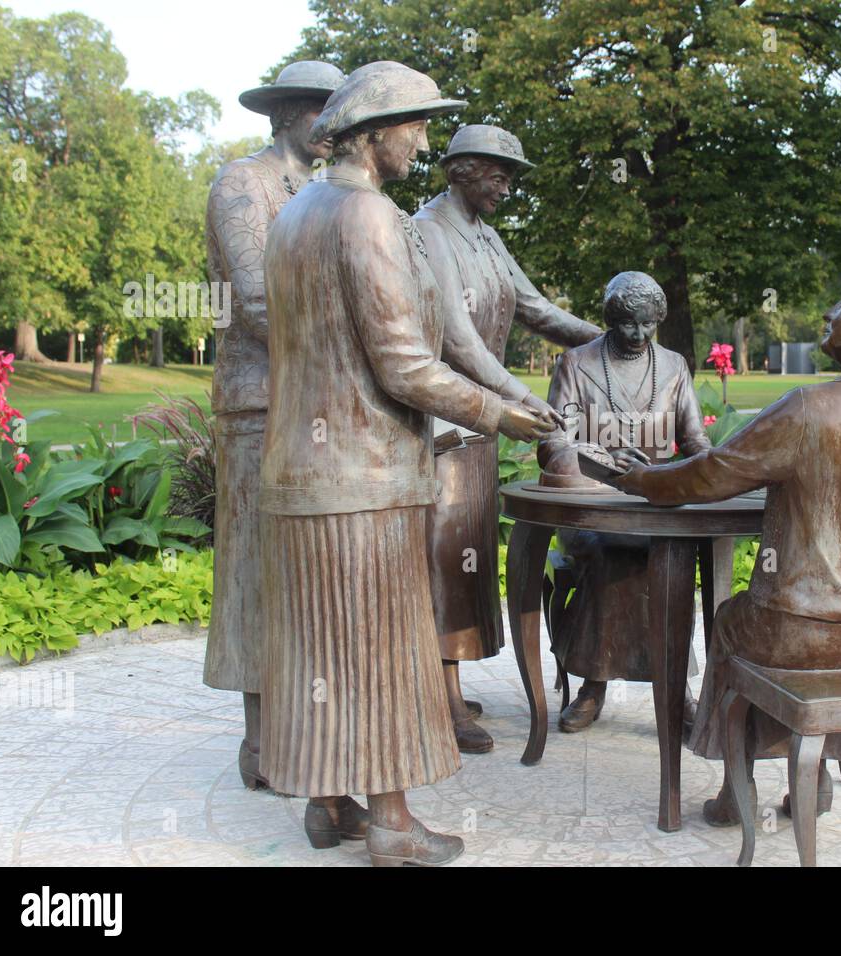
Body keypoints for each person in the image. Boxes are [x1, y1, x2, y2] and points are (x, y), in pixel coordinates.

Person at [259, 61, 558, 866]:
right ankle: (392, 823)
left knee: (323, 646)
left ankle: (331, 805)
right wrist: (502, 414)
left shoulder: (294, 215)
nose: (423, 143)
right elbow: (404, 365)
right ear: (374, 131)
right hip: (365, 475)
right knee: (381, 646)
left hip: (298, 473)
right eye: (417, 127)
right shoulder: (371, 218)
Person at [614, 263, 841, 824]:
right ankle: (815, 773)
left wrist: (639, 479)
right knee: (771, 631)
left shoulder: (809, 409)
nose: (831, 312)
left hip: (807, 631)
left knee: (732, 621)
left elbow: (710, 474)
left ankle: (736, 790)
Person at [415, 125, 601, 755]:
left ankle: (444, 681)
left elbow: (538, 310)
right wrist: (520, 399)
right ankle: (439, 699)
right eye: (497, 175)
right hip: (444, 418)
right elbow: (457, 339)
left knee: (467, 549)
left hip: (484, 420)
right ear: (460, 169)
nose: (506, 188)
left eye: (511, 178)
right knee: (443, 552)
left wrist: (616, 339)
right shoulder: (428, 231)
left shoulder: (488, 238)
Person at [202, 60, 344, 792]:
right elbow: (256, 303)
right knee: (256, 570)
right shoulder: (241, 185)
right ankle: (260, 740)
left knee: (304, 570)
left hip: (315, 403)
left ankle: (305, 723)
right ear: (290, 113)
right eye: (325, 110)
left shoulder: (322, 193)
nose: (337, 124)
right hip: (260, 402)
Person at [537, 271, 711, 732]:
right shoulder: (577, 363)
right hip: (592, 504)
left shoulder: (673, 366)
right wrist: (603, 457)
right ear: (612, 319)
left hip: (653, 504)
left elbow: (695, 441)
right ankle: (595, 682)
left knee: (669, 551)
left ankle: (676, 686)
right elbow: (553, 442)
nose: (638, 335)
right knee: (613, 549)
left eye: (648, 325)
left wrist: (716, 471)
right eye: (629, 324)